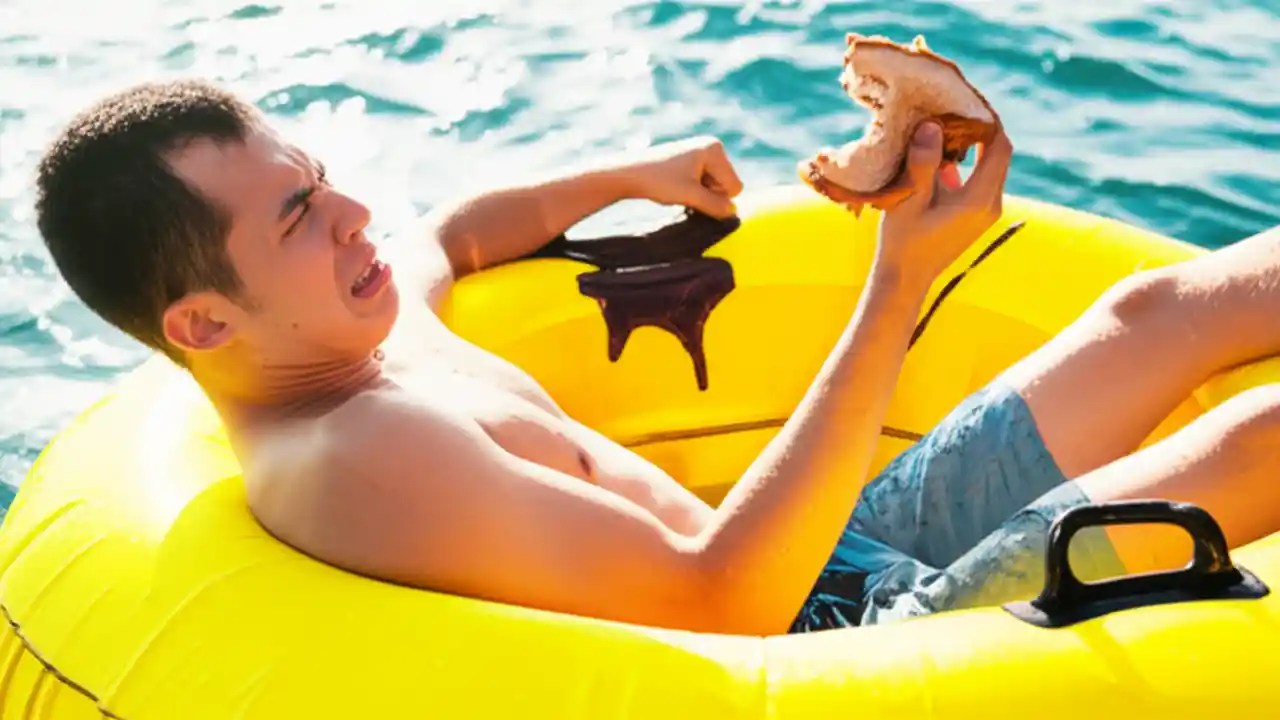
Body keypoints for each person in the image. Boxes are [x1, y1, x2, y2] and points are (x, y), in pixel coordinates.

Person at [34, 80, 1280, 635]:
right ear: (201, 324)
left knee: (1152, 311)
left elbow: (454, 233)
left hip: (819, 556)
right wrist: (895, 279)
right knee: (1253, 435)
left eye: (318, 180)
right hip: (850, 652)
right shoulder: (354, 455)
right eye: (297, 218)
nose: (352, 215)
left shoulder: (362, 330)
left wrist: (631, 176)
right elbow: (716, 598)